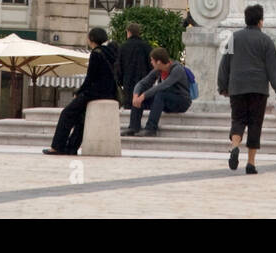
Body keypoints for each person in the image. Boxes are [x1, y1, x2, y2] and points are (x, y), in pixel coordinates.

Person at [217, 3, 276, 175]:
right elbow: (273, 69)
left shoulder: (233, 38)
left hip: (237, 87)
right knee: (255, 124)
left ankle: (234, 146)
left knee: (238, 120)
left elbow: (224, 64)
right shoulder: (266, 41)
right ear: (260, 21)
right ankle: (251, 163)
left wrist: (223, 86)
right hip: (258, 88)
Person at [43, 27, 120, 156]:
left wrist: (78, 92)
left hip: (95, 92)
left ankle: (58, 147)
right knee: (81, 119)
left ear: (92, 39)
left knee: (66, 114)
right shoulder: (111, 52)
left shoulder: (96, 53)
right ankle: (71, 147)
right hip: (109, 92)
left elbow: (90, 78)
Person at [126, 47, 191, 136]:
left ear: (159, 62)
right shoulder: (159, 70)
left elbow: (162, 86)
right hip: (166, 100)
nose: (151, 63)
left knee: (160, 94)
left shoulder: (177, 69)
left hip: (182, 101)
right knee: (144, 96)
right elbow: (142, 83)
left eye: (152, 60)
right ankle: (133, 127)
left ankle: (151, 128)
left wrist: (143, 96)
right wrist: (136, 95)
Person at [117, 22, 152, 110]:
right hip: (144, 83)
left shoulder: (123, 47)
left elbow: (118, 67)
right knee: (143, 107)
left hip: (128, 82)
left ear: (128, 32)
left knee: (129, 108)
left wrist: (120, 81)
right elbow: (151, 66)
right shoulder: (147, 47)